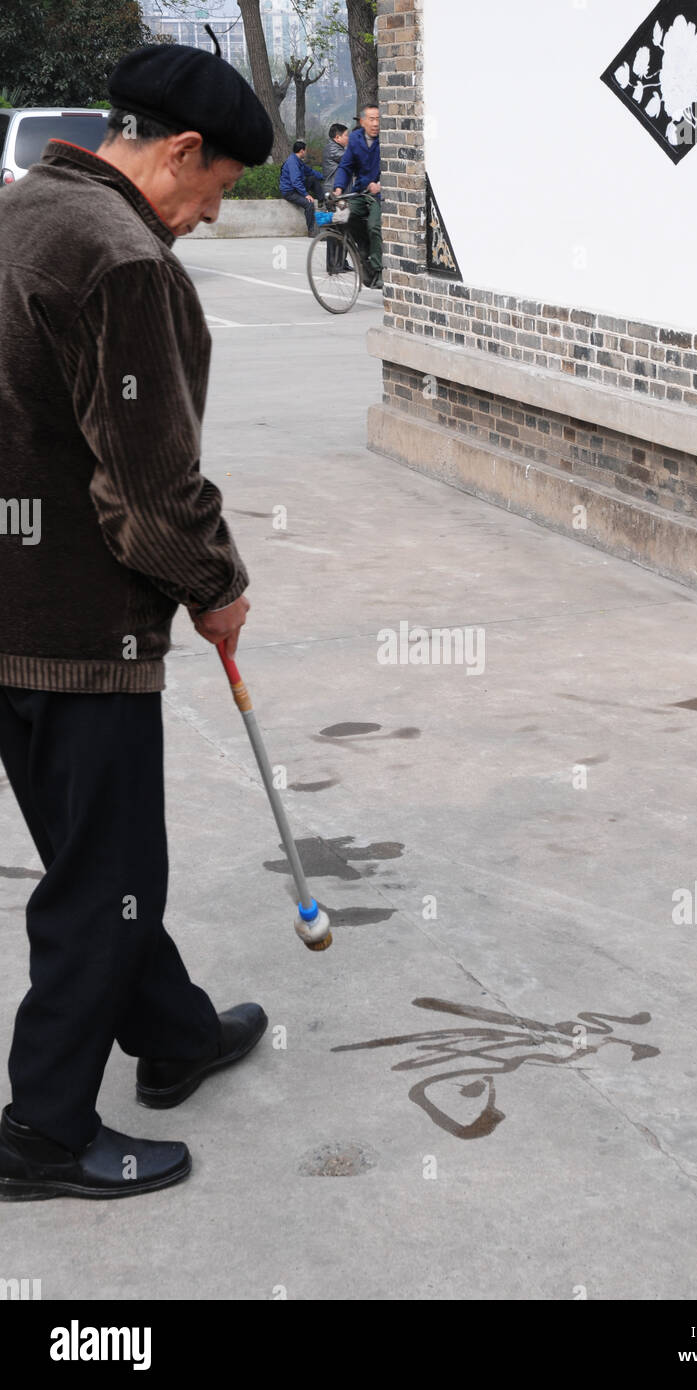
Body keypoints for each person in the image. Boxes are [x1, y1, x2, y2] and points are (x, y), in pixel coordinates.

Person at [0, 43, 273, 1201]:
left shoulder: (25, 209)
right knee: (104, 883)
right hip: (78, 629)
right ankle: (43, 1132)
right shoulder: (120, 257)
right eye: (216, 190)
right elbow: (150, 492)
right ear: (180, 150)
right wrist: (214, 583)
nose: (209, 216)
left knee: (94, 858)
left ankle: (174, 1033)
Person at [332, 104, 383, 288]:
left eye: (378, 119)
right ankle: (363, 248)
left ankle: (378, 269)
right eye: (371, 119)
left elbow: (393, 164)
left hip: (380, 193)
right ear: (362, 122)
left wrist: (380, 184)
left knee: (374, 226)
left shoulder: (386, 138)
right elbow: (346, 166)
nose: (375, 123)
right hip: (361, 191)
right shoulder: (355, 139)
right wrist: (338, 188)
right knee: (345, 214)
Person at [279, 138, 325, 235]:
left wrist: (324, 177)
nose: (306, 152)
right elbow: (295, 181)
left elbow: (310, 172)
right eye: (305, 150)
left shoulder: (299, 161)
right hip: (289, 192)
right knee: (309, 204)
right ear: (301, 151)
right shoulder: (292, 162)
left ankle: (321, 200)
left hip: (296, 189)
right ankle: (311, 231)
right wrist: (306, 194)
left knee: (312, 178)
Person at [322, 122, 350, 193]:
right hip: (334, 189)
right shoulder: (332, 149)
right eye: (346, 135)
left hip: (338, 188)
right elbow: (349, 159)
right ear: (337, 137)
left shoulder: (337, 147)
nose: (348, 138)